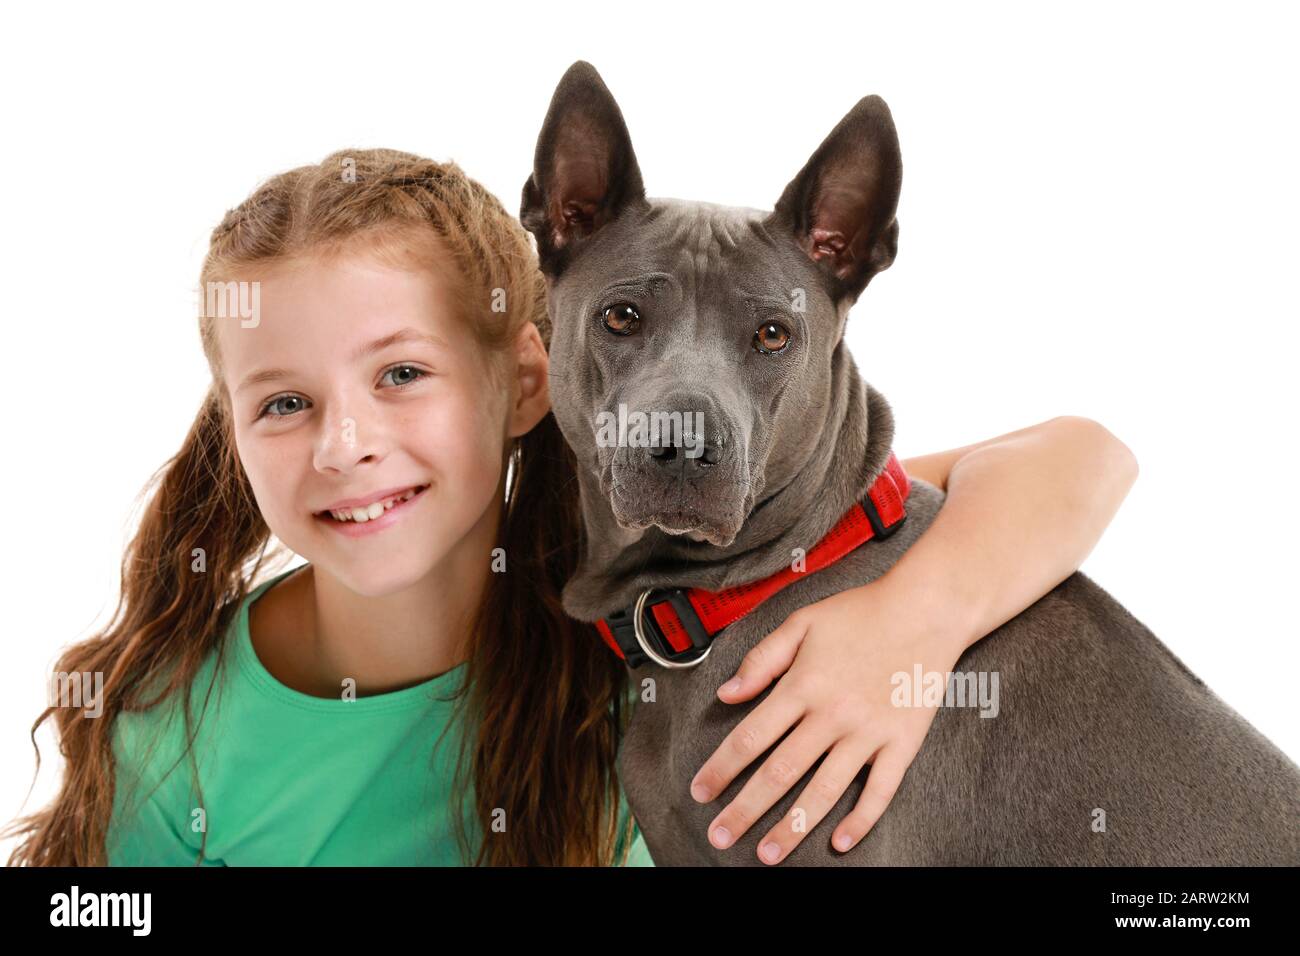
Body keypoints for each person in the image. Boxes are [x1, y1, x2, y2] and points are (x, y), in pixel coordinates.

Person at [2, 149, 1137, 866]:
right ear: (233, 432)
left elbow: (1075, 458)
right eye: (286, 402)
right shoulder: (177, 726)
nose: (347, 444)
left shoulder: (668, 583)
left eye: (402, 374)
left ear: (526, 382)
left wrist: (909, 624)